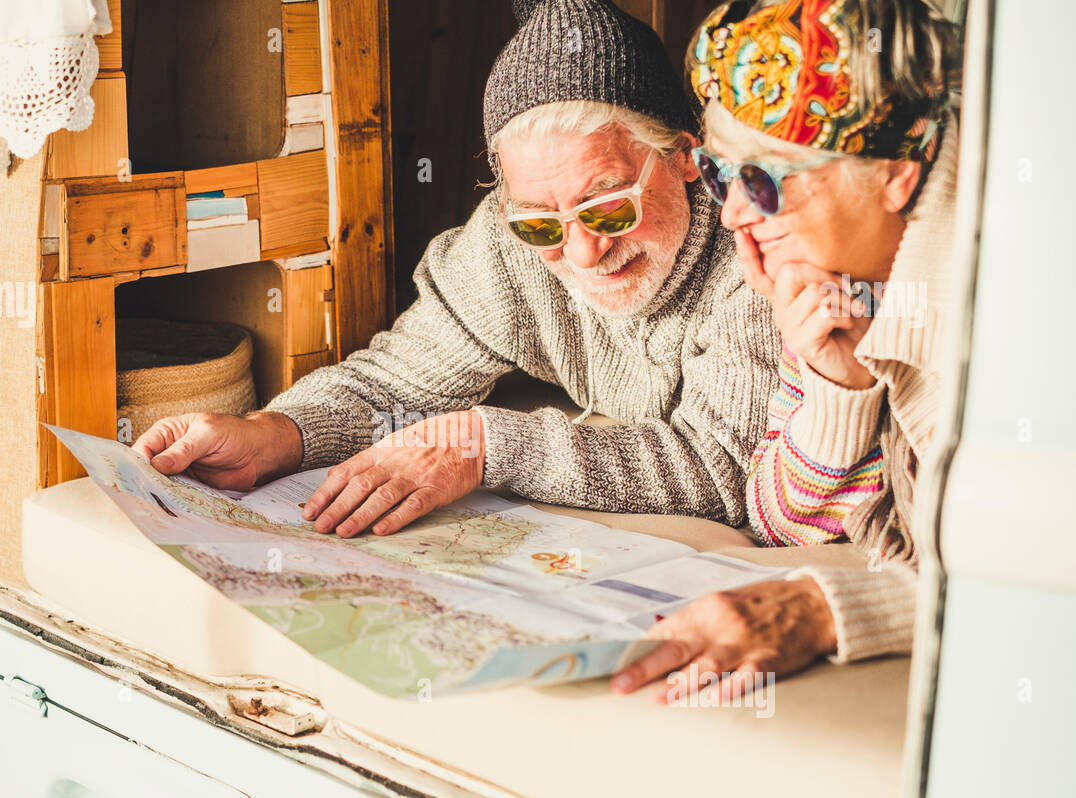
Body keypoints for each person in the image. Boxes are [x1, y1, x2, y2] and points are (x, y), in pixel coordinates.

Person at [134, 0, 778, 539]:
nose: (583, 253)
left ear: (687, 157)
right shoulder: (507, 246)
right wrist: (273, 433)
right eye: (541, 223)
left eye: (609, 207)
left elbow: (721, 467)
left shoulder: (752, 249)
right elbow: (395, 383)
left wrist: (485, 445)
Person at [612, 0, 961, 700]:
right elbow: (775, 522)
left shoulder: (1002, 297)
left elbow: (1032, 568)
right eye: (717, 174)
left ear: (896, 171)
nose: (734, 214)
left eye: (766, 180)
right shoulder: (831, 276)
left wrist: (826, 608)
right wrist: (838, 387)